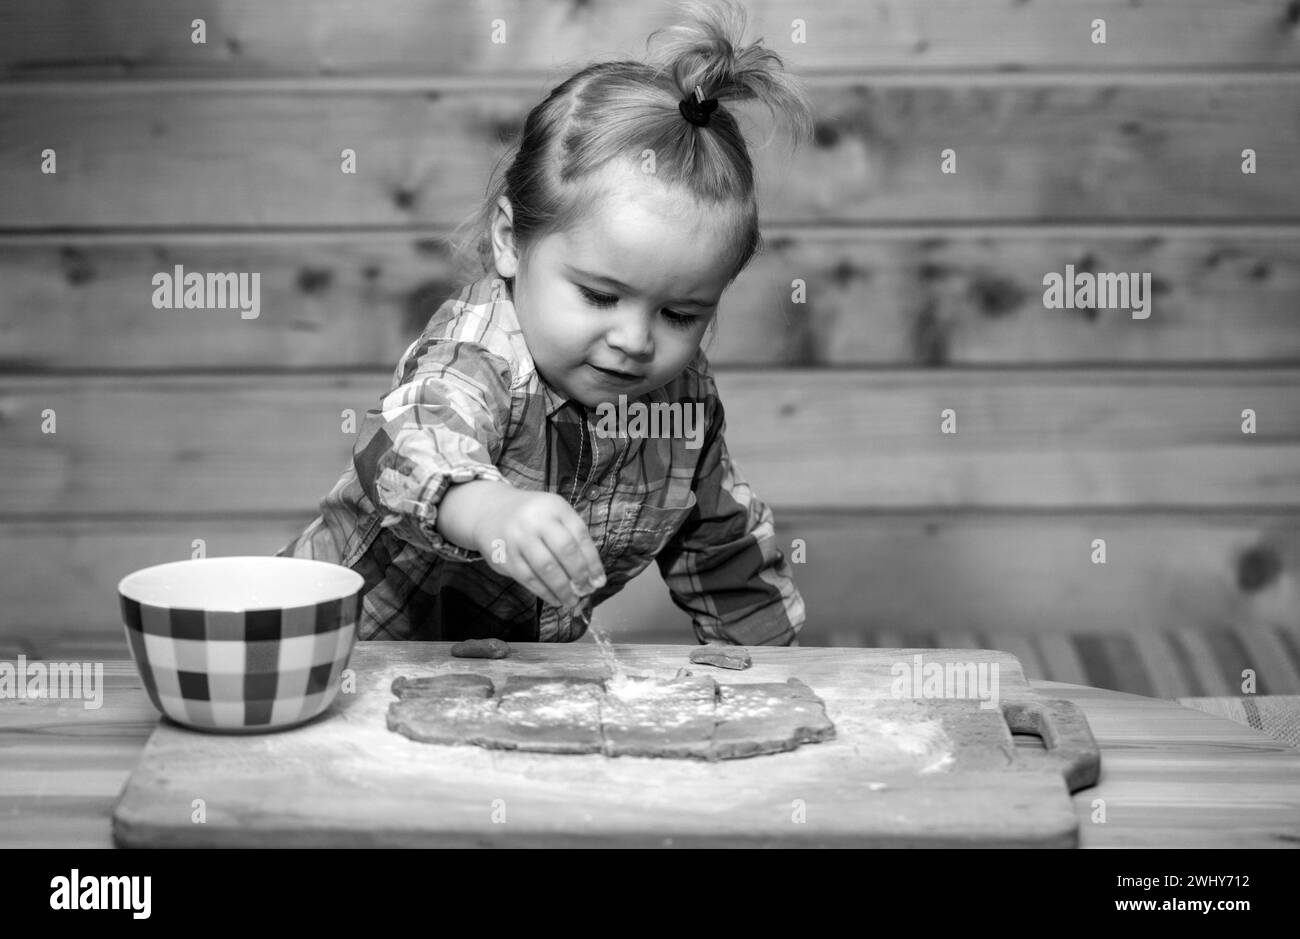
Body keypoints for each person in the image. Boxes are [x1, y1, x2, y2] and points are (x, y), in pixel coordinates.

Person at [278, 0, 814, 645]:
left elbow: (725, 555)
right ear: (510, 240)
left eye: (679, 314)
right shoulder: (480, 351)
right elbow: (409, 437)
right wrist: (489, 509)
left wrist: (777, 677)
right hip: (332, 657)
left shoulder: (681, 408)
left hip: (501, 683)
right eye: (599, 296)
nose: (635, 341)